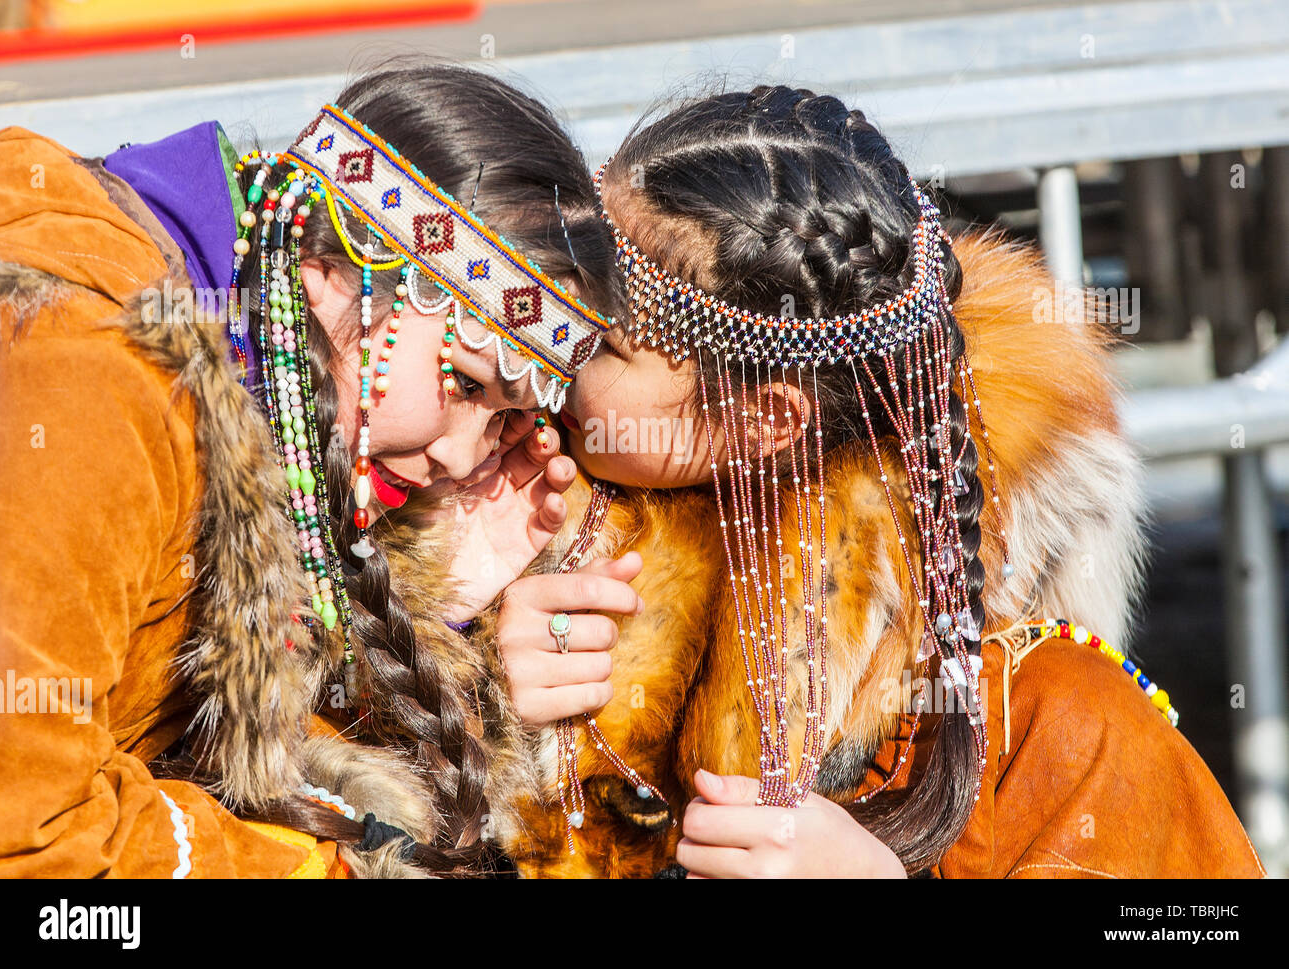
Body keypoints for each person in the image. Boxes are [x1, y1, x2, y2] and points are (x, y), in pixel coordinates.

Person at [494, 84, 1267, 878]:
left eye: (608, 338)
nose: (556, 339)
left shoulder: (1062, 721)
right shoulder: (500, 514)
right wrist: (472, 692)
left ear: (766, 417)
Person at [0, 62, 639, 877]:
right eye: (465, 383)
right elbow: (25, 841)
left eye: (509, 420)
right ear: (337, 269)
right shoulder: (89, 369)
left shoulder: (258, 371)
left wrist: (435, 622)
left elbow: (177, 742)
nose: (462, 459)